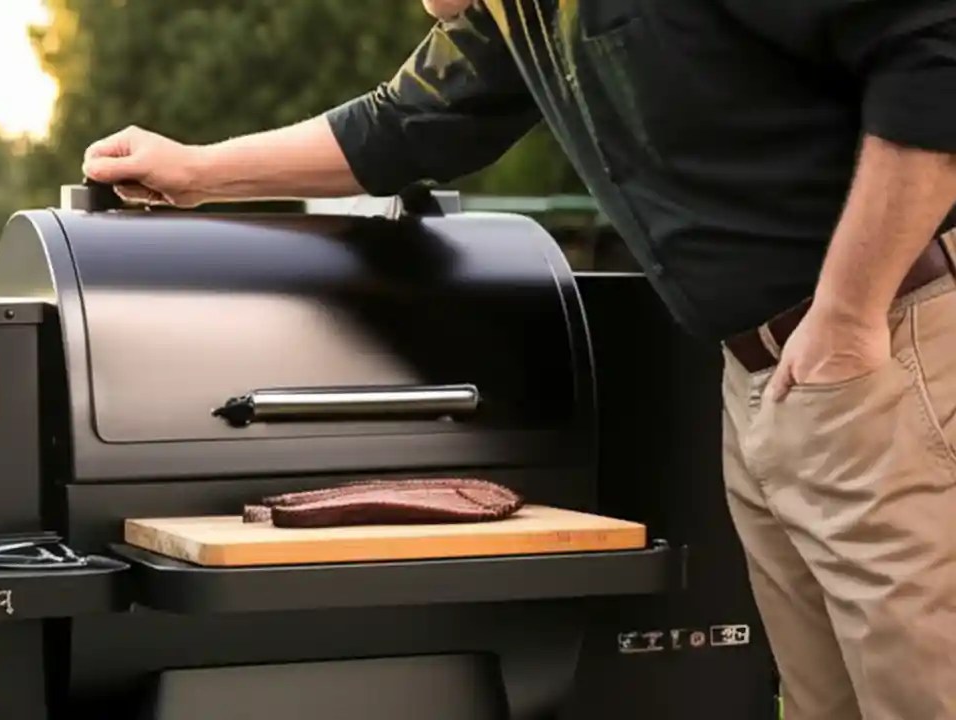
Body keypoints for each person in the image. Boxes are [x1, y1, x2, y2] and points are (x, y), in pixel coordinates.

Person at [82, 2, 956, 718]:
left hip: (890, 344)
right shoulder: (521, 11)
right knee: (825, 704)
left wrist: (848, 311)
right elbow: (401, 126)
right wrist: (194, 170)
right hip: (773, 373)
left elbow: (934, 50)